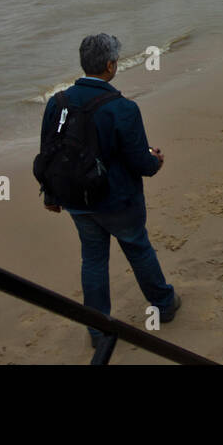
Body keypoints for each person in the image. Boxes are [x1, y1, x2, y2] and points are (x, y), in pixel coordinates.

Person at [40, 33, 179, 347]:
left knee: (93, 259)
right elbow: (139, 162)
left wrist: (51, 195)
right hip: (118, 200)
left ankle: (98, 329)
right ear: (110, 65)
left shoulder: (57, 102)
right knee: (138, 248)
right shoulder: (123, 108)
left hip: (77, 200)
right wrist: (154, 161)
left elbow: (48, 152)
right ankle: (163, 304)